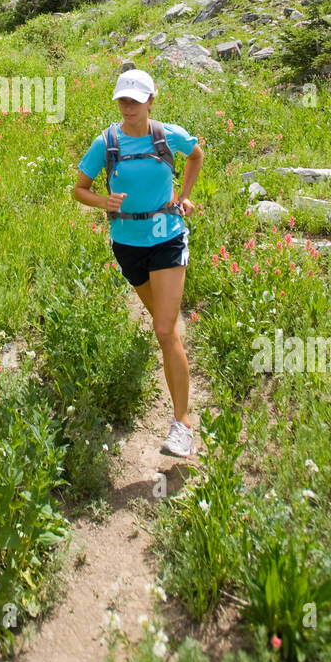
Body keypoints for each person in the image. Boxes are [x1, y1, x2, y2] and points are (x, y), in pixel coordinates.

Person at [72, 67, 203, 457]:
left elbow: (196, 154)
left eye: (135, 99)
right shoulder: (106, 143)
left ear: (151, 100)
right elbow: (79, 189)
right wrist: (102, 202)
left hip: (167, 235)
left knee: (164, 329)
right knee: (162, 322)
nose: (128, 106)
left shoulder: (168, 135)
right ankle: (174, 338)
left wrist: (183, 196)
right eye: (122, 100)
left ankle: (182, 424)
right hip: (127, 243)